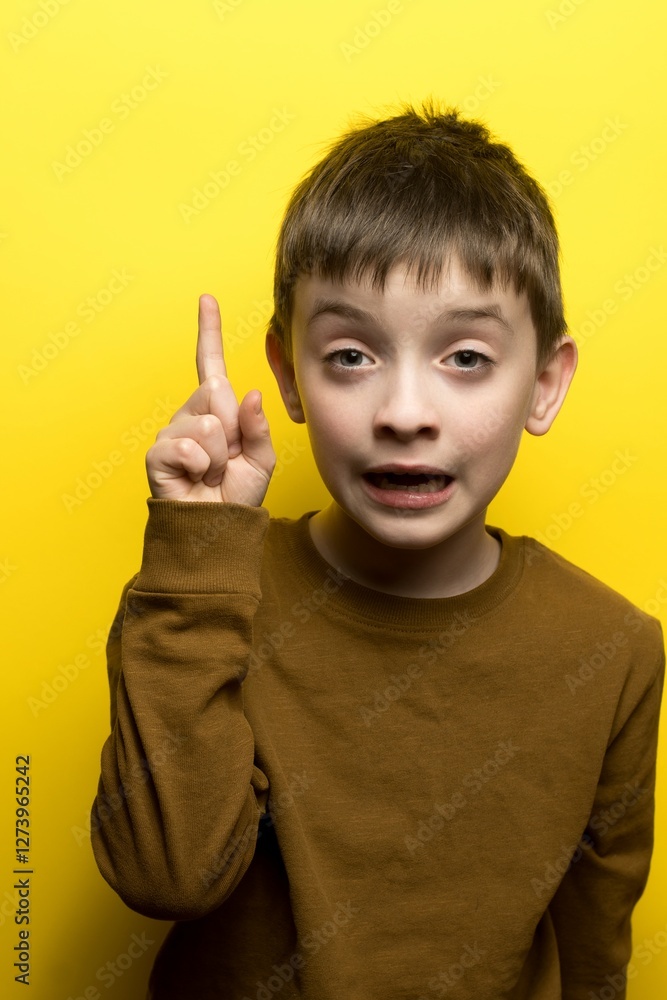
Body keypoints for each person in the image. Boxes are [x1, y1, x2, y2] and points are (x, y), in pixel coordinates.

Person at [91, 99, 665, 1000]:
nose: (403, 412)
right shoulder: (200, 591)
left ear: (544, 385)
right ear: (288, 375)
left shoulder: (613, 650)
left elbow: (597, 950)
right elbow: (166, 878)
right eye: (351, 356)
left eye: (465, 357)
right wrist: (194, 554)